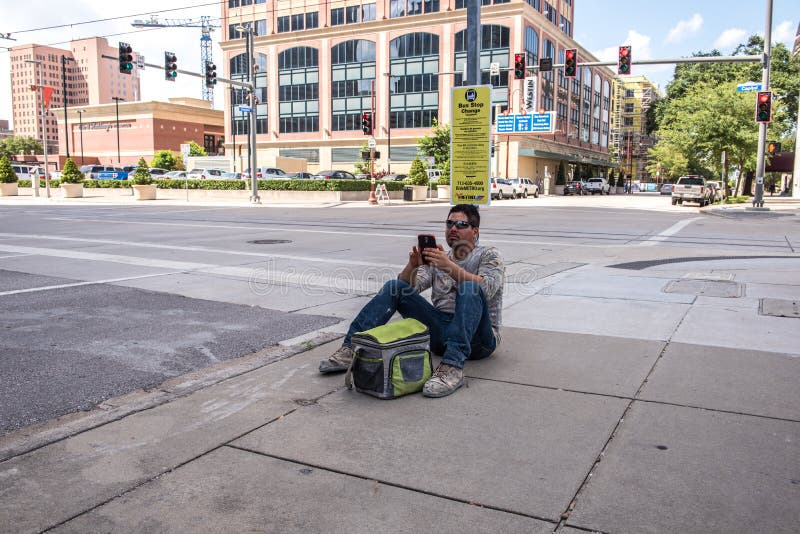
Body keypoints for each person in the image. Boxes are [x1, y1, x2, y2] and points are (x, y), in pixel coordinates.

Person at [318, 204, 505, 398]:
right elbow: (407, 289)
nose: (453, 229)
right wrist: (412, 266)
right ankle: (351, 349)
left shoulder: (489, 254)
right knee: (394, 286)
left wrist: (448, 266)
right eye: (449, 223)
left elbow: (486, 289)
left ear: (475, 232)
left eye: (460, 224)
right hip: (441, 332)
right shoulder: (439, 257)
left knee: (470, 287)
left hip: (479, 338)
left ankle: (452, 367)